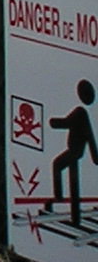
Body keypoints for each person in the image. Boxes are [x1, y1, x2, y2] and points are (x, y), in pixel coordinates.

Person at [45, 80, 98, 227]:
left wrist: (52, 122)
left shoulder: (80, 113)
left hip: (74, 152)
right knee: (73, 182)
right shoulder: (83, 114)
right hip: (76, 152)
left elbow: (67, 123)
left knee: (57, 164)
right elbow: (90, 137)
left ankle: (59, 198)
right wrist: (95, 156)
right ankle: (74, 215)